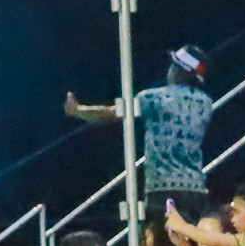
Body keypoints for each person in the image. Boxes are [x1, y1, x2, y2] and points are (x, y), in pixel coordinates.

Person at [67, 44, 213, 224]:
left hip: (162, 188)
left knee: (161, 243)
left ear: (179, 70)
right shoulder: (206, 103)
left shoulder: (156, 97)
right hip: (196, 187)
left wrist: (78, 110)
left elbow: (114, 113)